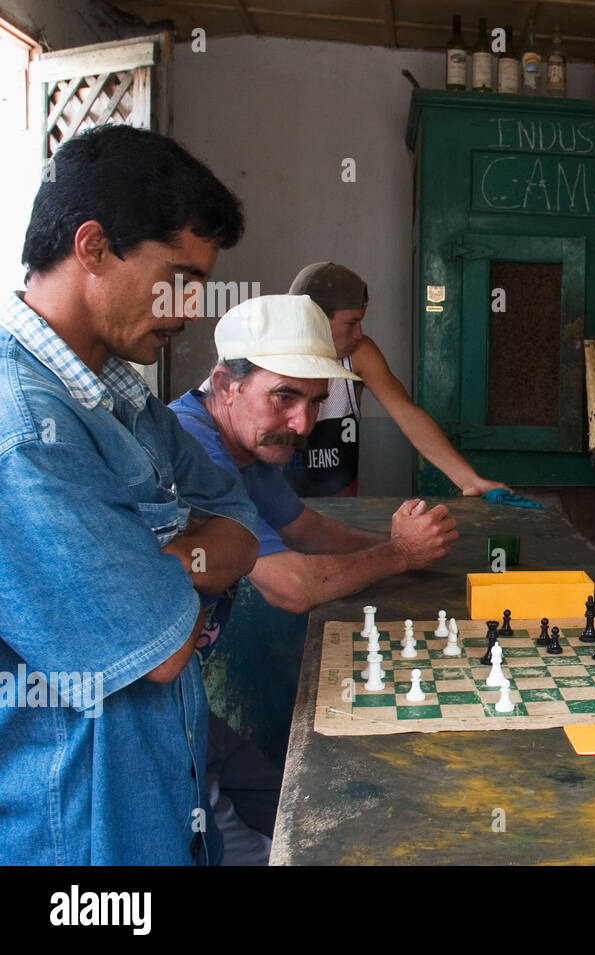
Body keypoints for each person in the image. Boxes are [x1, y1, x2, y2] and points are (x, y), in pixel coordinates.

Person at [0, 125, 259, 864]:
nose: (187, 310)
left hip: (159, 809)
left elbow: (238, 521)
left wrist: (164, 559)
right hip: (76, 842)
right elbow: (163, 647)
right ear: (91, 247)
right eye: (176, 277)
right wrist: (195, 561)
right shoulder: (24, 434)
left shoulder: (126, 398)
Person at [169, 294, 459, 862]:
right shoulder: (192, 445)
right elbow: (292, 588)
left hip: (189, 704)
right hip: (143, 716)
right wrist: (398, 555)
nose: (301, 423)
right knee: (272, 854)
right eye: (284, 397)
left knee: (300, 811)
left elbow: (305, 528)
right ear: (225, 383)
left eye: (314, 401)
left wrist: (403, 547)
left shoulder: (249, 444)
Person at [281, 262, 506, 497]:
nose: (359, 333)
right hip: (274, 506)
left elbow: (407, 414)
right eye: (351, 323)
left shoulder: (358, 352)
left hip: (337, 505)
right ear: (314, 317)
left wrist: (470, 481)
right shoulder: (266, 356)